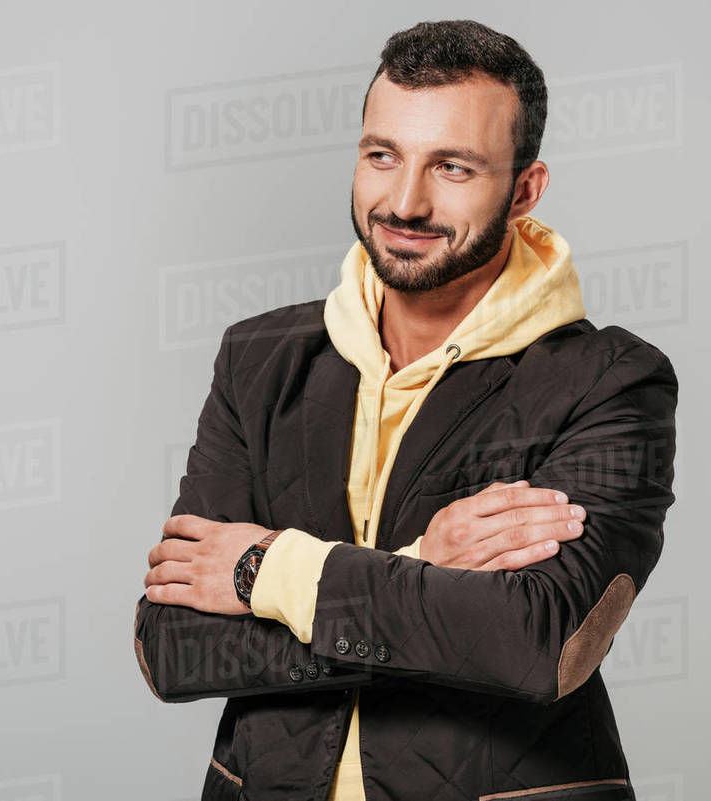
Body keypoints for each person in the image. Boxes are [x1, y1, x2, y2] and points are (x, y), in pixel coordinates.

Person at [135, 18, 677, 801]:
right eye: (381, 155)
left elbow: (539, 642)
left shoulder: (611, 380)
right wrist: (425, 571)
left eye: (453, 167)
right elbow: (174, 644)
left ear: (525, 190)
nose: (404, 201)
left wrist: (265, 570)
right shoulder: (256, 359)